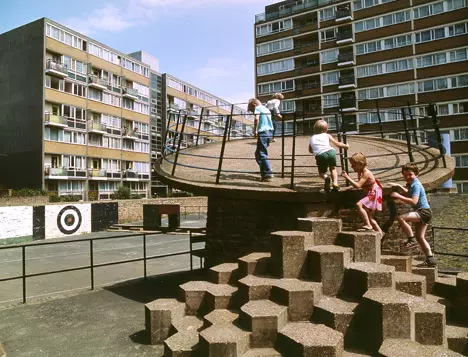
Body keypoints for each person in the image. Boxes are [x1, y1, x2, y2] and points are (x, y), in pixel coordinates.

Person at [389, 163, 437, 267]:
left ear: (416, 174)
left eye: (410, 174)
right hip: (425, 212)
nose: (407, 177)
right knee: (420, 237)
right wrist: (399, 186)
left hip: (422, 211)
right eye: (405, 175)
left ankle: (411, 239)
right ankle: (430, 259)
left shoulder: (416, 185)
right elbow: (409, 193)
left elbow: (414, 201)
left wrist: (398, 196)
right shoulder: (413, 184)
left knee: (401, 218)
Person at [342, 153, 383, 235]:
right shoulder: (360, 171)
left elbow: (358, 185)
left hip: (374, 193)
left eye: (354, 165)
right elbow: (361, 185)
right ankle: (380, 233)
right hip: (370, 193)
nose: (352, 167)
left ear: (360, 164)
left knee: (358, 205)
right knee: (369, 216)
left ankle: (368, 225)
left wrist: (347, 177)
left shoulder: (366, 173)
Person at [309, 119, 349, 191]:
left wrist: (315, 151)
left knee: (321, 172)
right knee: (333, 169)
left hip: (320, 155)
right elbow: (337, 144)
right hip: (331, 152)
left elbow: (310, 150)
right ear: (326, 129)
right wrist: (346, 146)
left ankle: (326, 178)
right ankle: (335, 183)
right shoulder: (327, 135)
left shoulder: (312, 137)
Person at [248, 98, 274, 182]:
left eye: (252, 111)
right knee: (258, 153)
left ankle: (268, 173)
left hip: (263, 132)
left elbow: (256, 118)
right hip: (269, 132)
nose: (253, 112)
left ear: (254, 105)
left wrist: (255, 130)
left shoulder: (258, 108)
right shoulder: (266, 109)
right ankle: (264, 171)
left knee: (262, 153)